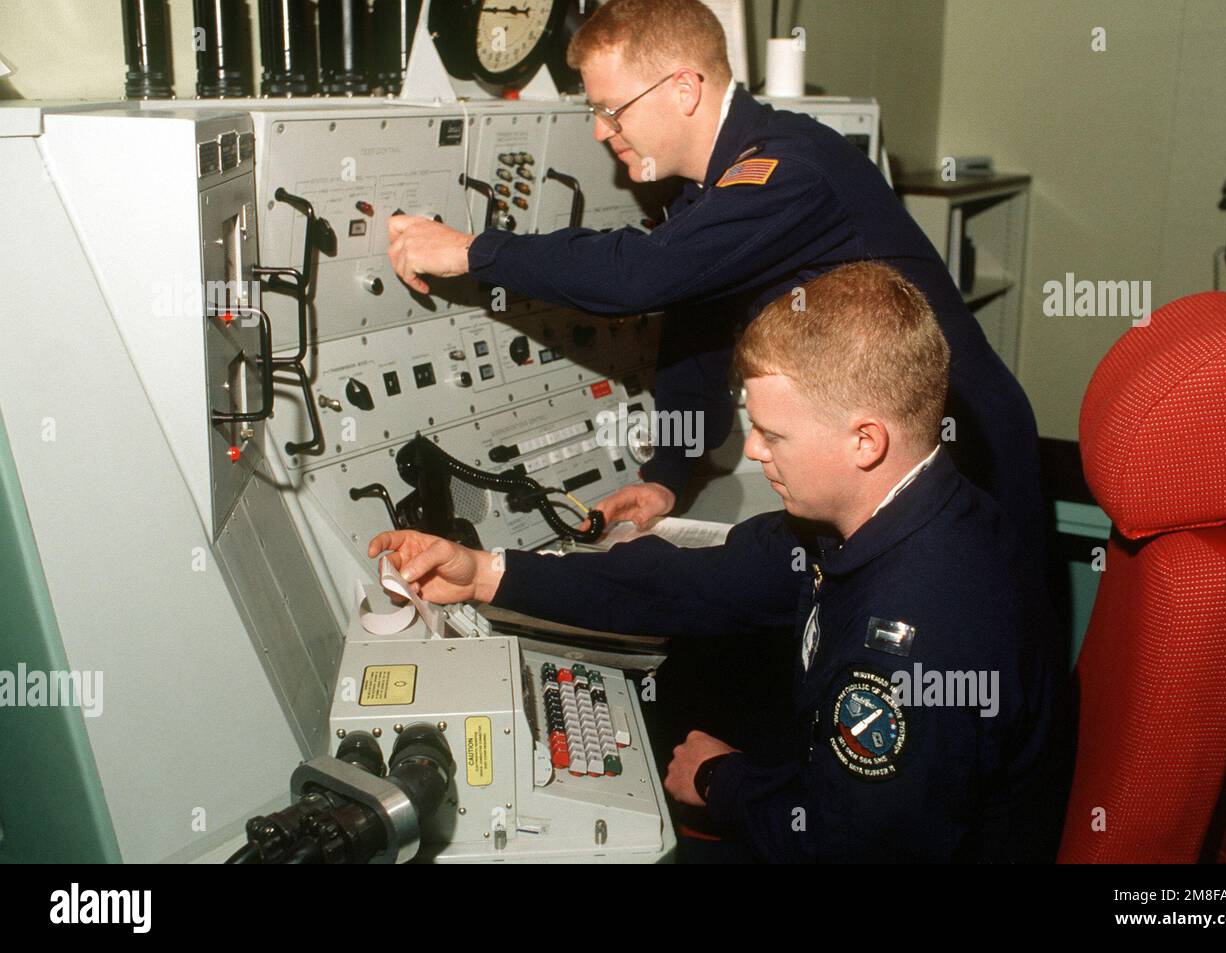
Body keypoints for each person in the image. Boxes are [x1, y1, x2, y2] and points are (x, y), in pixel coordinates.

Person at [369, 263, 1070, 862]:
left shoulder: (914, 635)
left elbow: (849, 848)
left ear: (865, 440)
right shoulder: (909, 506)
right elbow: (692, 581)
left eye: (772, 432)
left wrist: (722, 781)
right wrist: (487, 571)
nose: (755, 451)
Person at [386, 0, 1047, 560]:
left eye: (611, 108)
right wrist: (669, 476)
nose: (599, 130)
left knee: (977, 672)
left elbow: (639, 277)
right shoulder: (713, 190)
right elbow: (695, 329)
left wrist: (472, 252)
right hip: (873, 447)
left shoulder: (788, 170)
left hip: (959, 451)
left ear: (684, 88)